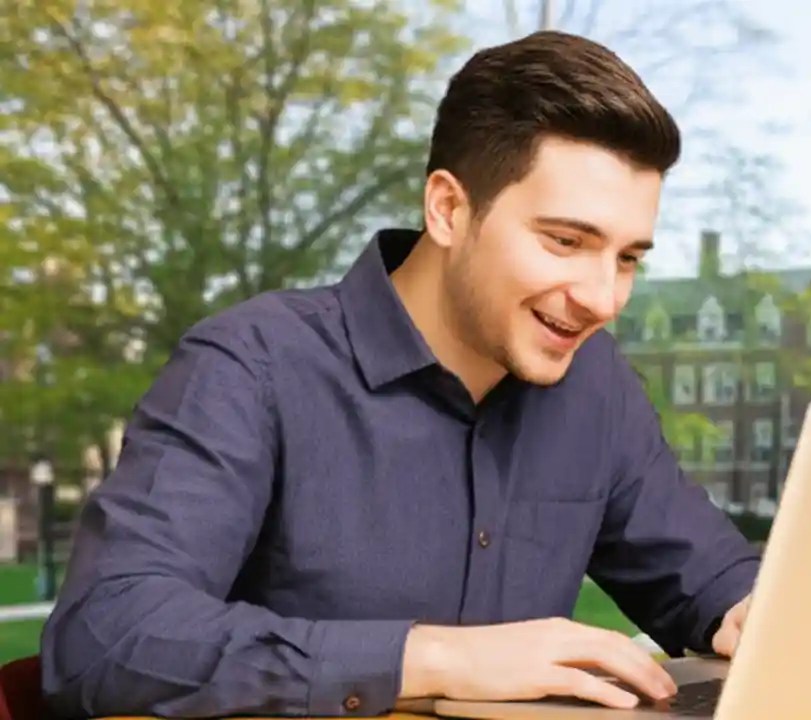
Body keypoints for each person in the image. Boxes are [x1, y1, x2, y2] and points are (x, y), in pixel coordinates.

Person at [39, 29, 760, 719]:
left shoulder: (593, 383)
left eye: (628, 257)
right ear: (448, 208)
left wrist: (756, 613)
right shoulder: (251, 366)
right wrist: (441, 660)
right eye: (566, 241)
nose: (604, 299)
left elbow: (712, 583)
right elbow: (105, 635)